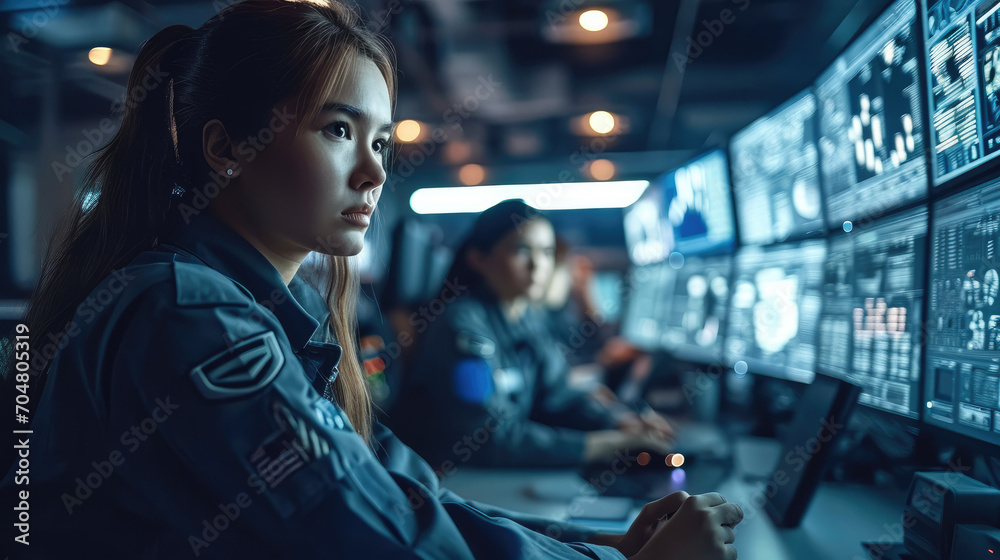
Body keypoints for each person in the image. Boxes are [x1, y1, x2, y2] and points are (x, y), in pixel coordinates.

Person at [0, 1, 744, 558]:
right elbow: (376, 538)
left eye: (382, 142)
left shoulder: (268, 314)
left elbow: (401, 496)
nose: (374, 171)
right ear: (227, 149)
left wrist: (600, 546)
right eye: (338, 130)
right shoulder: (187, 313)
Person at [387, 200, 675, 470]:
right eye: (522, 250)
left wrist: (619, 421)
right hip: (452, 477)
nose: (538, 266)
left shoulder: (528, 318)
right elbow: (484, 436)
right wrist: (609, 444)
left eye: (547, 252)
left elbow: (558, 395)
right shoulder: (461, 328)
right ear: (478, 259)